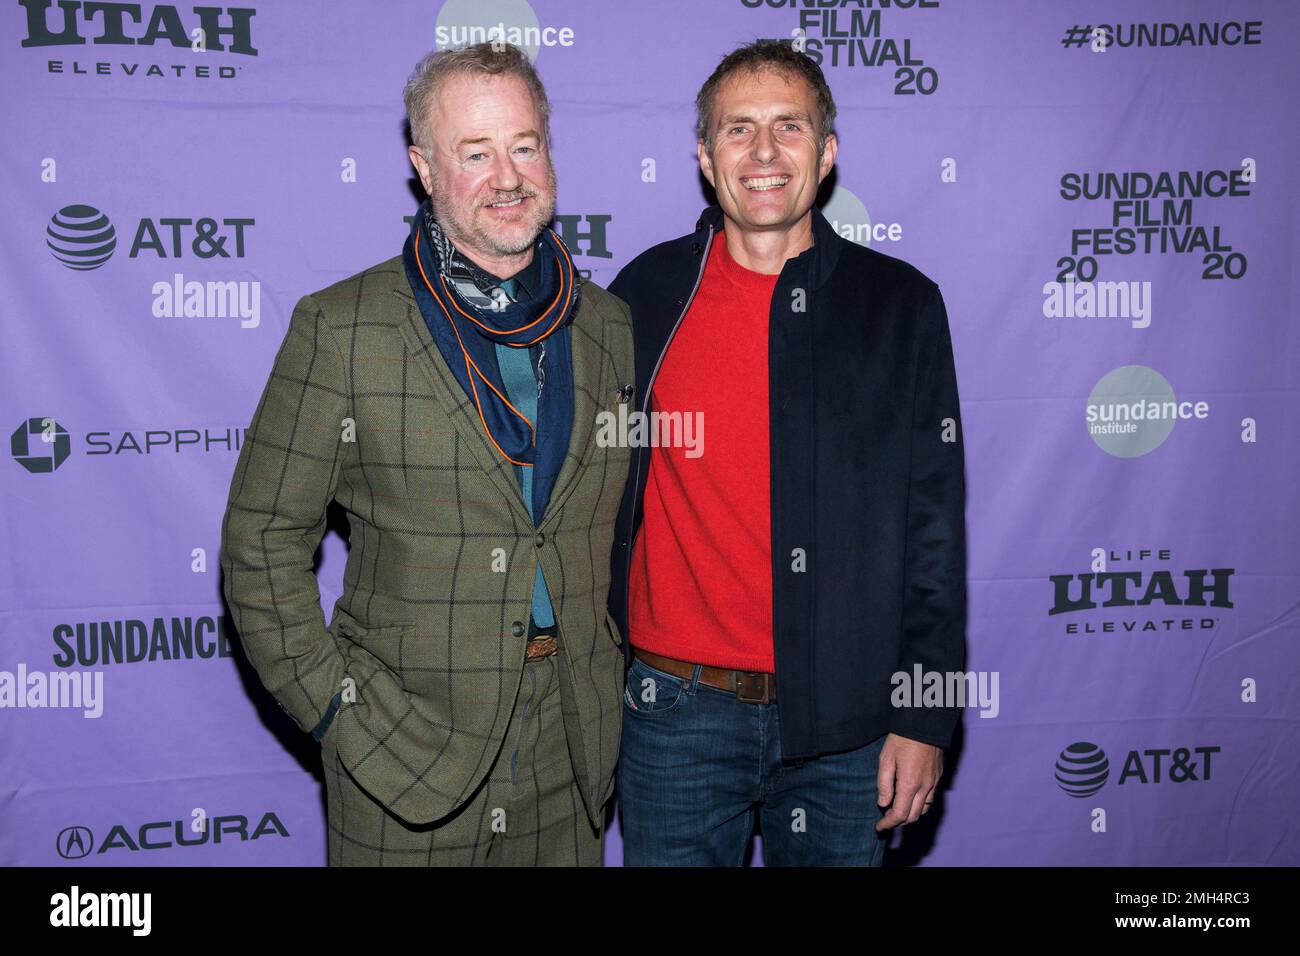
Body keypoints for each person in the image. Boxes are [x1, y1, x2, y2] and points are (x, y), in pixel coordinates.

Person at [221, 41, 633, 866]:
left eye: (524, 145)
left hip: (572, 745)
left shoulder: (607, 325)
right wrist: (339, 711)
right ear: (424, 167)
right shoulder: (342, 329)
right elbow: (260, 541)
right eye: (474, 153)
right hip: (403, 752)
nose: (507, 175)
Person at [608, 39, 967, 866]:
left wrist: (924, 713)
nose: (764, 153)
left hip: (847, 726)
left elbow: (935, 533)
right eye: (738, 130)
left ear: (828, 151)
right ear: (705, 157)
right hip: (673, 714)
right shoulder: (642, 296)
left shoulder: (901, 308)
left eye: (789, 127)